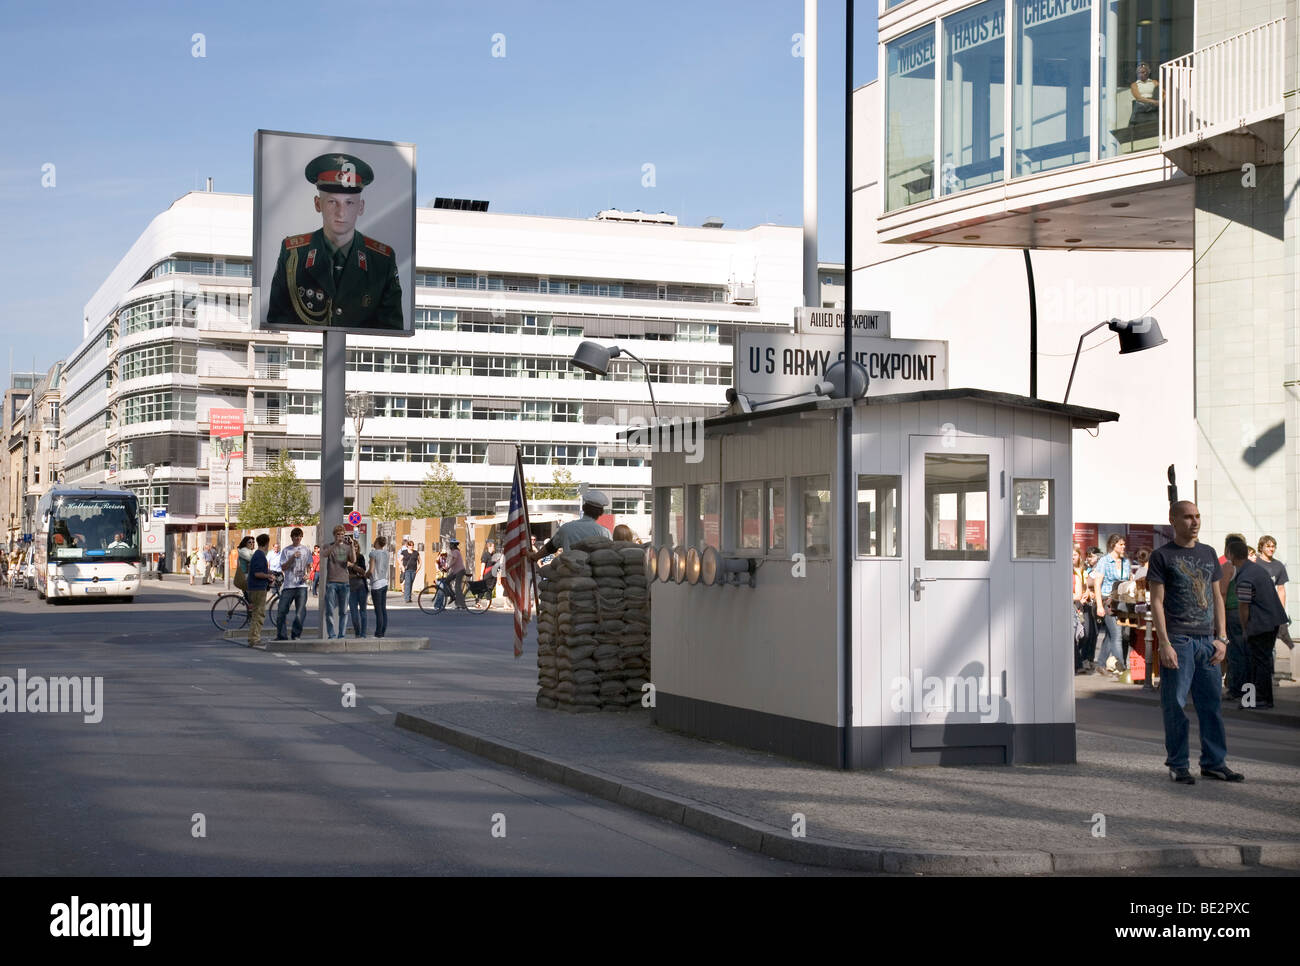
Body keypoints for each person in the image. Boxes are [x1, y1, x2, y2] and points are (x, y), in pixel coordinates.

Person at [1147, 501, 1244, 784]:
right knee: (1175, 705)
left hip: (1207, 641)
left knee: (1211, 706)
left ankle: (1214, 762)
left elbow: (1217, 597)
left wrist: (1222, 638)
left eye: (1198, 516)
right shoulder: (1162, 556)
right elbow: (1156, 601)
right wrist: (1164, 643)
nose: (1195, 522)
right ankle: (1178, 764)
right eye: (1188, 517)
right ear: (1173, 521)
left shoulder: (1209, 553)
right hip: (1178, 639)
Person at [266, 153, 402, 330]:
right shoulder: (293, 254)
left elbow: (392, 332)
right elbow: (278, 324)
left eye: (349, 203)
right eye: (332, 202)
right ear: (318, 204)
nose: (341, 213)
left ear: (361, 207)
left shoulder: (382, 260)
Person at [1228, 538, 1286, 710]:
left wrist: (1245, 629)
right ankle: (1258, 698)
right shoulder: (1256, 570)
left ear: (1232, 555)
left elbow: (1244, 607)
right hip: (1271, 621)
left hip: (1261, 623)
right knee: (1262, 661)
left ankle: (1260, 699)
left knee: (1258, 662)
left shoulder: (1245, 576)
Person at [528, 489, 612, 561]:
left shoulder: (566, 528)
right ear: (601, 512)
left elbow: (550, 547)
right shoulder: (605, 532)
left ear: (583, 508)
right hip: (595, 578)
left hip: (569, 575)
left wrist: (534, 557)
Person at [1217, 533, 1250, 699]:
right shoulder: (1250, 566)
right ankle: (1246, 692)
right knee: (1245, 652)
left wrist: (1219, 620)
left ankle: (1235, 690)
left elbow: (1222, 593)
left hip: (1232, 612)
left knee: (1234, 653)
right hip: (1248, 613)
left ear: (1228, 550)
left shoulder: (1228, 566)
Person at [1093, 534, 1131, 675]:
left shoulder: (1126, 562)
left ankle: (1101, 663)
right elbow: (1097, 584)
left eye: (1124, 544)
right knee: (1117, 635)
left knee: (1110, 635)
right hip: (1108, 600)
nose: (1123, 547)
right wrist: (1099, 606)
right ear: (1113, 545)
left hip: (1122, 602)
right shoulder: (1104, 561)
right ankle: (1121, 668)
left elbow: (1129, 579)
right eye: (1121, 544)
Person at [1255, 535, 1294, 650]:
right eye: (1268, 546)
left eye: (1273, 546)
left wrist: (1281, 613)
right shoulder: (1254, 562)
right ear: (1261, 547)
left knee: (1270, 647)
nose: (1271, 549)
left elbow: (1281, 590)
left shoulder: (1278, 566)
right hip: (1256, 610)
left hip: (1271, 611)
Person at [274, 528, 311, 641]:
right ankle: (282, 635)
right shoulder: (286, 550)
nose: (297, 538)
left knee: (300, 612)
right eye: (295, 536)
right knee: (281, 611)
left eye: (299, 536)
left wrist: (308, 575)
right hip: (289, 585)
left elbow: (309, 566)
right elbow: (283, 567)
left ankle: (296, 635)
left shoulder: (306, 550)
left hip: (301, 586)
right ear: (292, 537)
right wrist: (292, 557)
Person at [323, 525, 356, 639]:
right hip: (331, 581)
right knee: (330, 611)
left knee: (343, 611)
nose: (340, 536)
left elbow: (353, 560)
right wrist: (336, 544)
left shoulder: (347, 547)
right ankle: (331, 634)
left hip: (344, 582)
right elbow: (324, 554)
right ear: (334, 535)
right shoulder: (329, 545)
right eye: (338, 534)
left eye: (342, 534)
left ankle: (341, 635)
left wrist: (351, 545)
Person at [246, 534, 273, 648]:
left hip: (255, 587)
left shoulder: (257, 554)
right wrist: (268, 576)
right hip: (258, 588)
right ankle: (254, 639)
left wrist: (268, 573)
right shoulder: (260, 555)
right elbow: (257, 573)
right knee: (259, 613)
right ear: (267, 543)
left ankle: (253, 637)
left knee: (256, 613)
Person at [368, 536, 391, 639]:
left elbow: (371, 569)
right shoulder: (386, 553)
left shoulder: (373, 553)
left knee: (378, 610)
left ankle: (378, 632)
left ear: (376, 542)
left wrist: (365, 574)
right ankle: (383, 631)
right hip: (384, 581)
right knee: (383, 608)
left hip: (376, 582)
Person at [347, 537, 369, 637]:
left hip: (361, 587)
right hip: (351, 588)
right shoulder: (345, 558)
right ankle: (357, 632)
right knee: (354, 613)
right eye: (353, 547)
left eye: (356, 547)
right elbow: (345, 575)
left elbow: (363, 572)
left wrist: (352, 566)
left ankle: (363, 634)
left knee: (363, 612)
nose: (355, 549)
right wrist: (357, 573)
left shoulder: (360, 557)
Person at [444, 538, 468, 610]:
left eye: (450, 544)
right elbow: (451, 561)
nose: (449, 545)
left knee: (457, 587)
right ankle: (452, 596)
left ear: (453, 545)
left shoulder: (455, 551)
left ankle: (462, 604)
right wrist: (446, 567)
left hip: (460, 571)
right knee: (446, 581)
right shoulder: (454, 552)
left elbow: (454, 561)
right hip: (455, 571)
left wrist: (448, 568)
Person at [235, 536, 256, 601]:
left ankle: (246, 600)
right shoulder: (243, 551)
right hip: (244, 575)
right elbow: (252, 560)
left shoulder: (249, 551)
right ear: (245, 543)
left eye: (253, 542)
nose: (252, 543)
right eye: (249, 542)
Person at [400, 538, 419, 603]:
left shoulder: (416, 553)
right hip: (407, 570)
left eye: (412, 545)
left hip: (414, 571)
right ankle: (407, 599)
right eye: (410, 545)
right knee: (407, 583)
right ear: (407, 546)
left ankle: (409, 597)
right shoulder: (404, 552)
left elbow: (420, 562)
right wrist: (402, 567)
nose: (411, 546)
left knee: (411, 584)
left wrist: (417, 570)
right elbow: (399, 560)